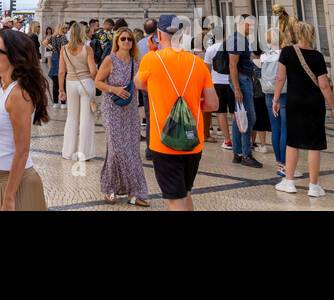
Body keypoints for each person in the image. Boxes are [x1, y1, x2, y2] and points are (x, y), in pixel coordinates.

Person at [137, 17, 218, 211]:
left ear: (158, 35)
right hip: (192, 141)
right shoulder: (198, 63)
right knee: (185, 193)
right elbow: (213, 104)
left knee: (174, 200)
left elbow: (138, 83)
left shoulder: (151, 59)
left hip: (164, 141)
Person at [0, 28, 49, 210]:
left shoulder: (18, 95)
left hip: (15, 186)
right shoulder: (3, 87)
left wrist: (9, 197)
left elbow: (22, 150)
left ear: (13, 57)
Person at [274, 21, 334, 197]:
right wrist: (333, 107)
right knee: (314, 144)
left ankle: (289, 182)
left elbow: (280, 78)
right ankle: (314, 186)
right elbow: (324, 85)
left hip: (294, 102)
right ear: (311, 35)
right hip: (314, 104)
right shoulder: (317, 56)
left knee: (292, 142)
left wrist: (275, 98)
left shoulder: (287, 52)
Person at [95, 27, 150, 206]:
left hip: (130, 110)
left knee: (132, 151)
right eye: (123, 39)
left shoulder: (136, 61)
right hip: (112, 109)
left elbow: (142, 82)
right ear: (117, 41)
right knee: (116, 149)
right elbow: (97, 81)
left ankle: (134, 192)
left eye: (129, 39)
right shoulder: (110, 60)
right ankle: (109, 188)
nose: (126, 42)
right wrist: (114, 89)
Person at [227, 15, 262, 168]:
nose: (252, 27)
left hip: (243, 80)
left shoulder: (242, 39)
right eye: (250, 24)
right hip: (241, 81)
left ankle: (238, 153)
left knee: (239, 117)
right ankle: (246, 154)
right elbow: (232, 65)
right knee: (249, 117)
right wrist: (237, 89)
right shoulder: (237, 40)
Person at [58, 21, 97, 161]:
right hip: (86, 82)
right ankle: (84, 154)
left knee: (72, 118)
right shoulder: (87, 49)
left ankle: (68, 152)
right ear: (82, 33)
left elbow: (61, 72)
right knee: (86, 118)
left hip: (70, 83)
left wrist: (61, 90)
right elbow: (93, 71)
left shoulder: (64, 49)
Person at [259, 27, 287, 176]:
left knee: (275, 129)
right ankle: (286, 164)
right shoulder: (284, 55)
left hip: (268, 94)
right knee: (285, 129)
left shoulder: (264, 56)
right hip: (283, 93)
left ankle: (279, 164)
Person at [203, 29, 234, 152]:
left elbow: (207, 70)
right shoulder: (231, 47)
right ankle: (238, 138)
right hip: (231, 82)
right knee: (234, 111)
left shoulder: (210, 50)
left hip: (216, 83)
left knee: (221, 112)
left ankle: (227, 140)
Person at [45, 24, 66, 107]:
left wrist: (52, 49)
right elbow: (63, 48)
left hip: (54, 57)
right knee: (62, 82)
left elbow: (44, 42)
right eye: (64, 28)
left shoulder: (52, 37)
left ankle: (55, 102)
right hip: (61, 57)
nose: (66, 30)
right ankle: (63, 103)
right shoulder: (63, 37)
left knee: (55, 83)